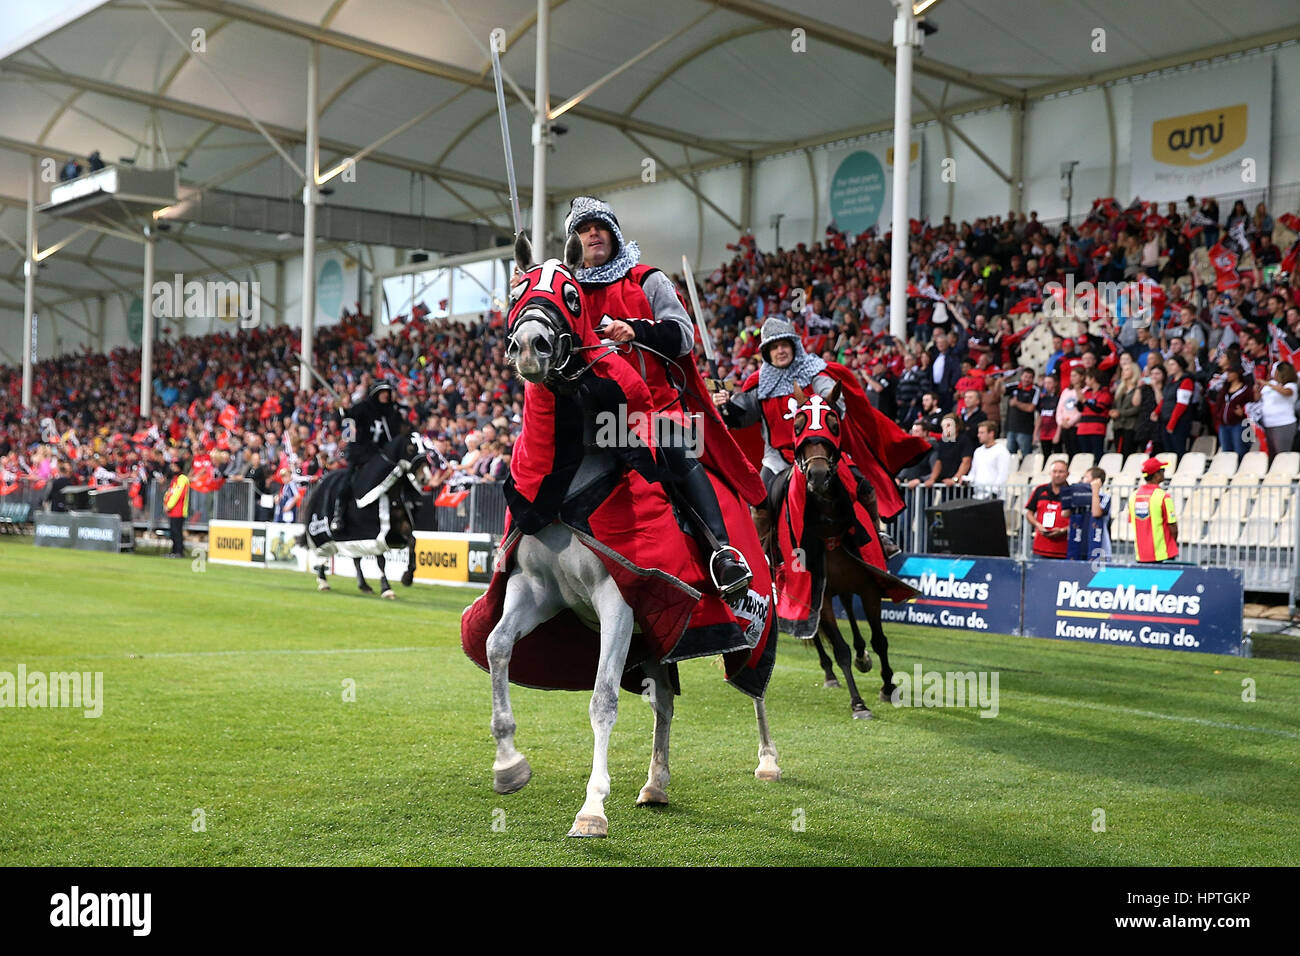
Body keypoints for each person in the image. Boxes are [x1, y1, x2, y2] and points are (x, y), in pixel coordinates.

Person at [566, 195, 753, 594]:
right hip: (596, 416)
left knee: (677, 449)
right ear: (574, 243)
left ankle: (723, 554)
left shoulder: (647, 279)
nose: (592, 233)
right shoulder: (570, 292)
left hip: (656, 409)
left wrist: (638, 329)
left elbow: (684, 336)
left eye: (599, 225)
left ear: (613, 232)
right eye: (583, 229)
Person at [715, 316, 927, 558]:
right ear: (766, 353)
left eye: (784, 344)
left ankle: (878, 535)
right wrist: (725, 405)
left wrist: (826, 399)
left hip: (819, 451)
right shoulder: (760, 384)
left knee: (862, 485)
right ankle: (756, 557)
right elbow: (740, 417)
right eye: (774, 347)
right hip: (778, 459)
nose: (780, 351)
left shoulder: (814, 372)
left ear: (794, 346)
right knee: (759, 502)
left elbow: (832, 396)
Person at [331, 380, 406, 536]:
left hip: (383, 457)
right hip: (361, 454)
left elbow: (399, 434)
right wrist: (347, 437)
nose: (386, 395)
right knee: (348, 480)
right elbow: (349, 419)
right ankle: (338, 514)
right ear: (376, 393)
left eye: (388, 392)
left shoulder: (392, 413)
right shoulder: (363, 408)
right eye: (382, 392)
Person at [1128, 458, 1179, 562]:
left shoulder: (1133, 496)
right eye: (1163, 470)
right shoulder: (1164, 497)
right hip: (1163, 554)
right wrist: (1172, 544)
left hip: (1141, 555)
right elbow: (1173, 527)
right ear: (1157, 475)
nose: (1164, 473)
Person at [1025, 458, 1070, 559]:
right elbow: (1029, 513)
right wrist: (1037, 525)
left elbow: (1079, 519)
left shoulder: (1072, 493)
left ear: (1067, 474)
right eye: (1054, 471)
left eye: (1061, 472)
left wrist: (1063, 530)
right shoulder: (1040, 490)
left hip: (1064, 550)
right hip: (1040, 548)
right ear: (1050, 473)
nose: (1057, 475)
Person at [1065, 466, 1111, 561]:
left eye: (1085, 477)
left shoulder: (1104, 497)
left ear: (1096, 481)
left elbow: (1096, 513)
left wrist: (1095, 491)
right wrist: (1072, 493)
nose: (1082, 480)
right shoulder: (1079, 497)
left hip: (1099, 548)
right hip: (1079, 545)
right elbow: (1065, 514)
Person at [1257, 361, 1298, 460]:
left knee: (1282, 455)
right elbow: (1259, 398)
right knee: (1271, 455)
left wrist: (1267, 384)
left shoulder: (1291, 385)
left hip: (1283, 423)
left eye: (1275, 371)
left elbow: (1286, 392)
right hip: (1267, 424)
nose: (1273, 373)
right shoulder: (1271, 384)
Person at [967, 421, 1012, 499]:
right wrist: (966, 479)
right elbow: (973, 473)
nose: (978, 435)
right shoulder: (978, 451)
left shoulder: (1001, 451)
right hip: (977, 496)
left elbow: (1003, 475)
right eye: (979, 433)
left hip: (994, 497)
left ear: (991, 433)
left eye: (982, 433)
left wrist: (994, 492)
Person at [1075, 368, 1112, 458]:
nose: (1085, 381)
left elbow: (1098, 409)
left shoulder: (1104, 393)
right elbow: (1080, 409)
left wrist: (1084, 401)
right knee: (1085, 456)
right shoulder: (1087, 393)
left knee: (1098, 454)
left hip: (1097, 429)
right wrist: (1079, 399)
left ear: (1093, 379)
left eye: (1087, 378)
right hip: (1083, 428)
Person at [1004, 368, 1038, 457]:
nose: (1027, 379)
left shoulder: (1035, 390)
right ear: (1021, 376)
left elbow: (1030, 408)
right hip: (1011, 428)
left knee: (1026, 456)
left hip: (1025, 430)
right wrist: (1000, 380)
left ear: (1033, 379)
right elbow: (1000, 391)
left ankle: (1027, 471)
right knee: (1010, 456)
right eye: (1025, 376)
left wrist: (1016, 403)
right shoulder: (1014, 386)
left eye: (1030, 377)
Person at [163, 458, 190, 557]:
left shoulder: (182, 479)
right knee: (173, 532)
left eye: (174, 465)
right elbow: (170, 492)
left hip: (179, 510)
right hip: (173, 510)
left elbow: (178, 495)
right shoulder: (176, 479)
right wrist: (165, 503)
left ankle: (179, 551)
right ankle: (174, 551)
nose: (172, 467)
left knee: (177, 532)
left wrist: (169, 505)